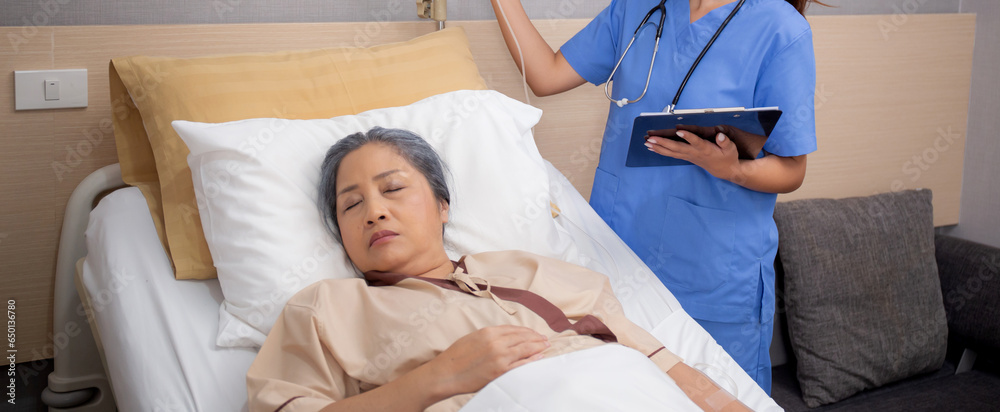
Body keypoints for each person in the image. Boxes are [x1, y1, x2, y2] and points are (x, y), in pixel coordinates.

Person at [246, 127, 751, 412]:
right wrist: (437, 378)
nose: (374, 210)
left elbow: (657, 362)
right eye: (350, 205)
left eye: (393, 188)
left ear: (443, 206)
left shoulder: (528, 268)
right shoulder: (326, 310)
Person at [488, 0, 822, 392]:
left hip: (711, 272)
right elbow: (545, 76)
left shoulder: (780, 29)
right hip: (619, 258)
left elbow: (792, 169)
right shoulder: (639, 6)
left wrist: (730, 168)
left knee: (718, 396)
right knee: (626, 393)